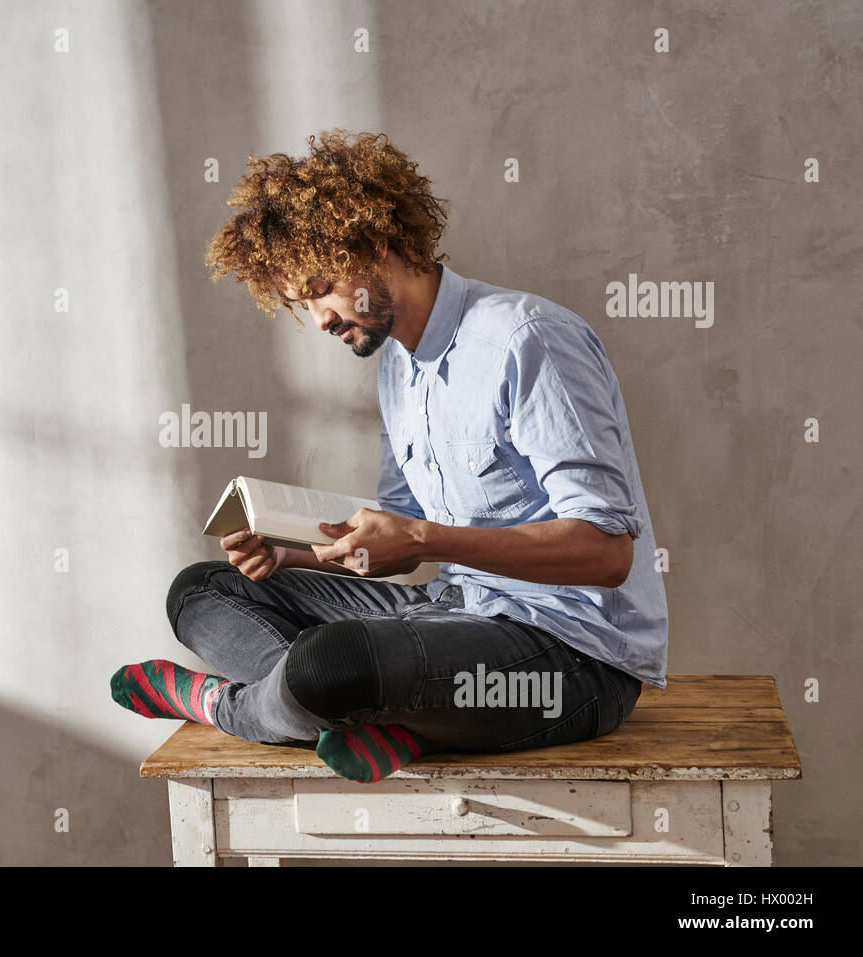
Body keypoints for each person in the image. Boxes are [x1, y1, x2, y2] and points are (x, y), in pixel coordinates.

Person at [110, 130, 667, 783]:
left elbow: (607, 551)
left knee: (328, 664)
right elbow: (396, 540)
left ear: (373, 242)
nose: (317, 318)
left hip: (570, 662)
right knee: (203, 590)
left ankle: (222, 703)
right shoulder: (398, 372)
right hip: (450, 609)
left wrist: (426, 537)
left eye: (320, 288)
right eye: (301, 303)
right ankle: (390, 719)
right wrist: (296, 553)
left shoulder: (526, 338)